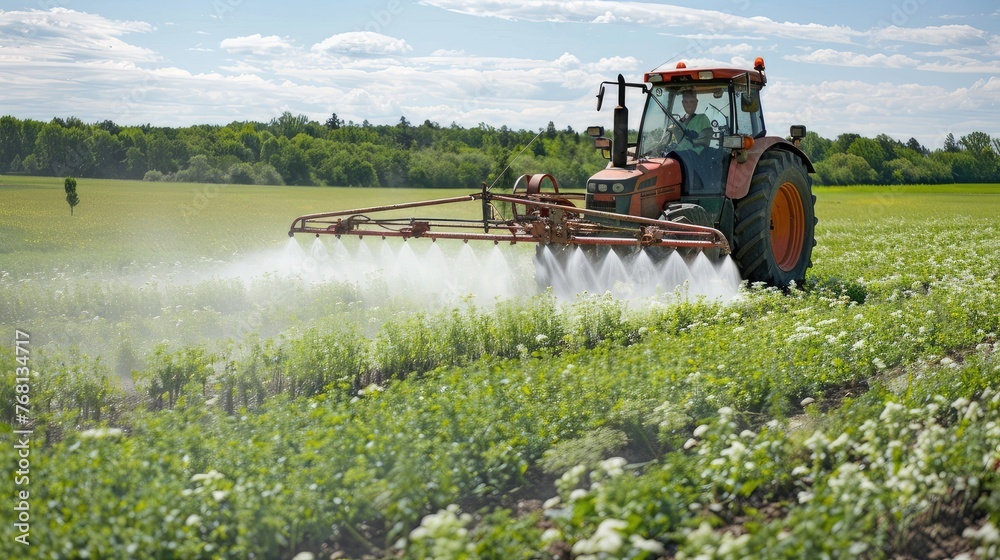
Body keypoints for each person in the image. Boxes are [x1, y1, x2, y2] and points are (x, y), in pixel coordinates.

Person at [674, 88, 713, 154]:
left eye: (691, 101)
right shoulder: (678, 122)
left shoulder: (702, 119)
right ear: (682, 103)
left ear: (696, 102)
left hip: (695, 158)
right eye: (686, 102)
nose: (689, 105)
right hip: (679, 157)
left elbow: (703, 143)